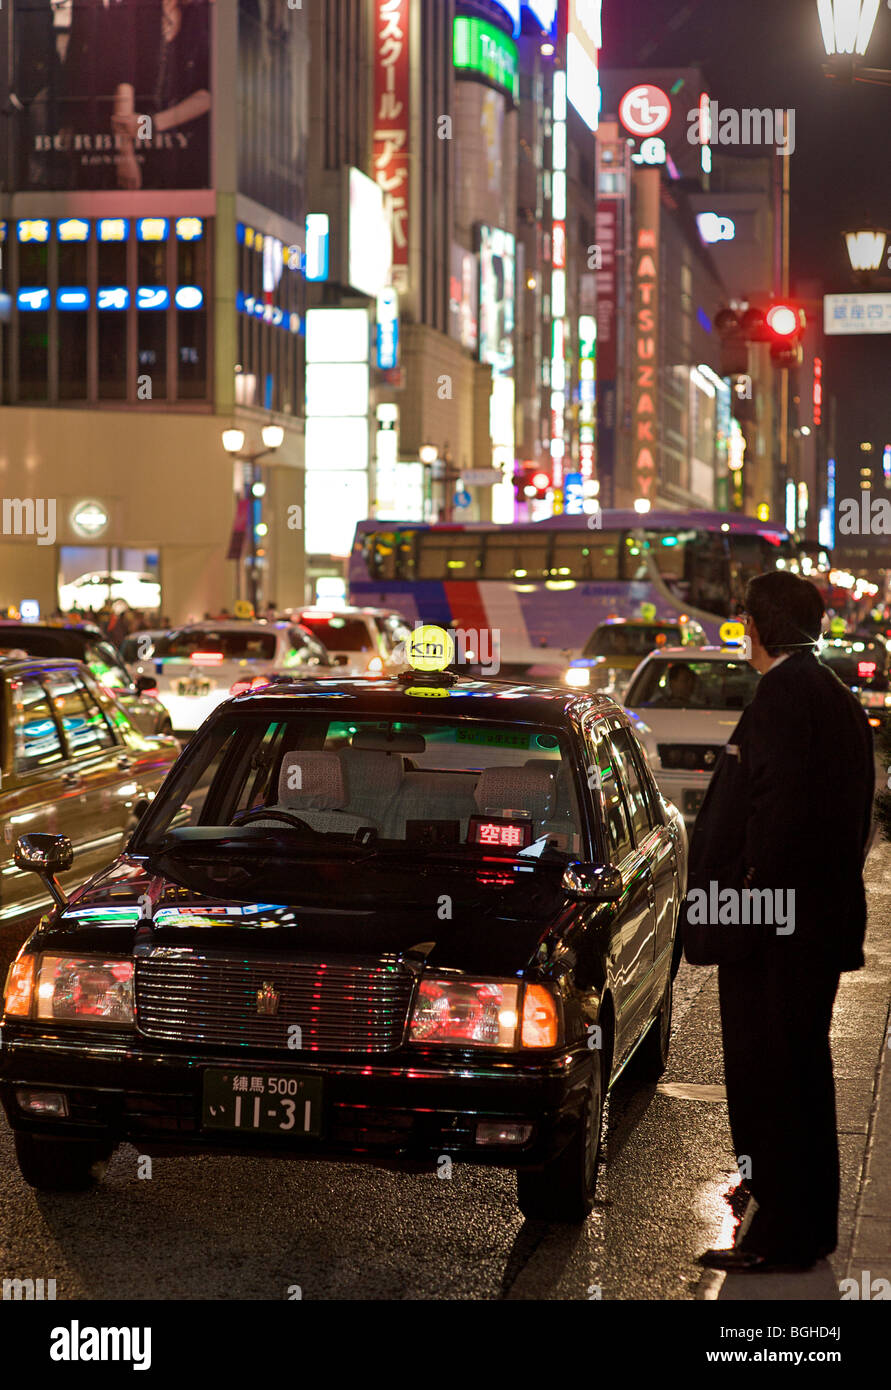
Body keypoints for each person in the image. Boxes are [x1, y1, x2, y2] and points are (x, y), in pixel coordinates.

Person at [686, 571, 875, 1273]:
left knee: (770, 1078)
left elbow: (771, 824)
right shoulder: (830, 696)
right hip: (806, 926)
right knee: (798, 1071)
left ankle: (781, 1231)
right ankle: (798, 1218)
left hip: (769, 934)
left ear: (754, 628)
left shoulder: (783, 697)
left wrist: (742, 905)